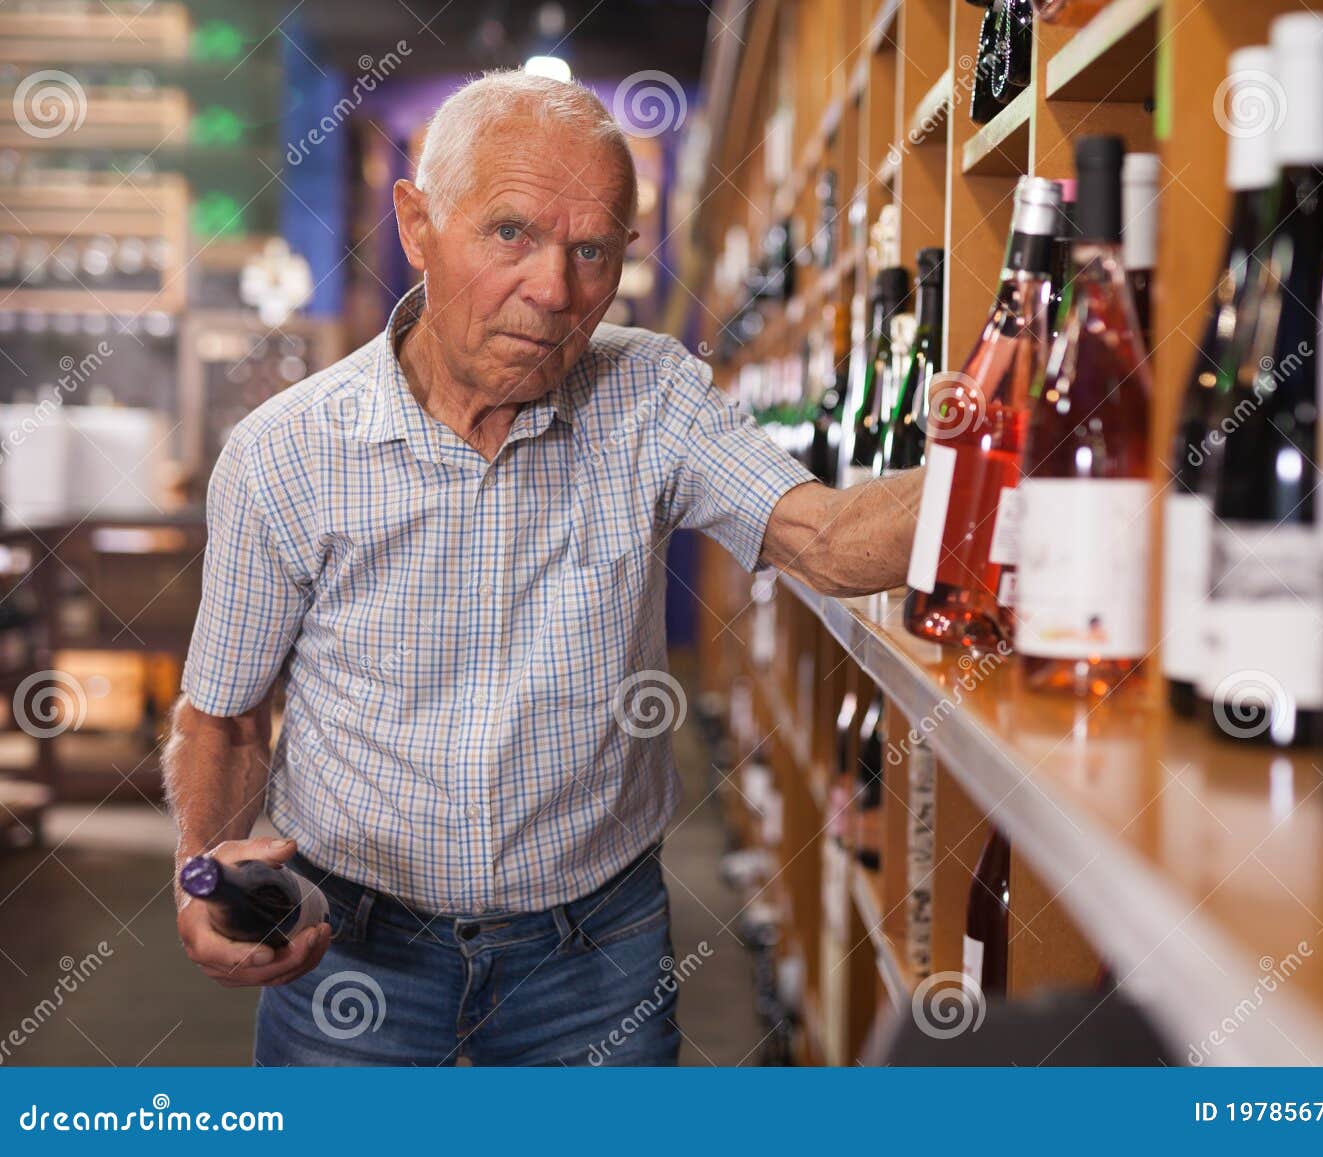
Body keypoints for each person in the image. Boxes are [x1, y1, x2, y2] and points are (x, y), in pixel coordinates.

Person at [163, 72, 922, 1066]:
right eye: (511, 233)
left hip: (592, 952)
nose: (555, 291)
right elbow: (225, 714)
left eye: (591, 250)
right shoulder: (287, 452)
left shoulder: (652, 395)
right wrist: (200, 867)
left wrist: (1017, 461)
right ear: (417, 223)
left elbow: (827, 538)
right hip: (352, 948)